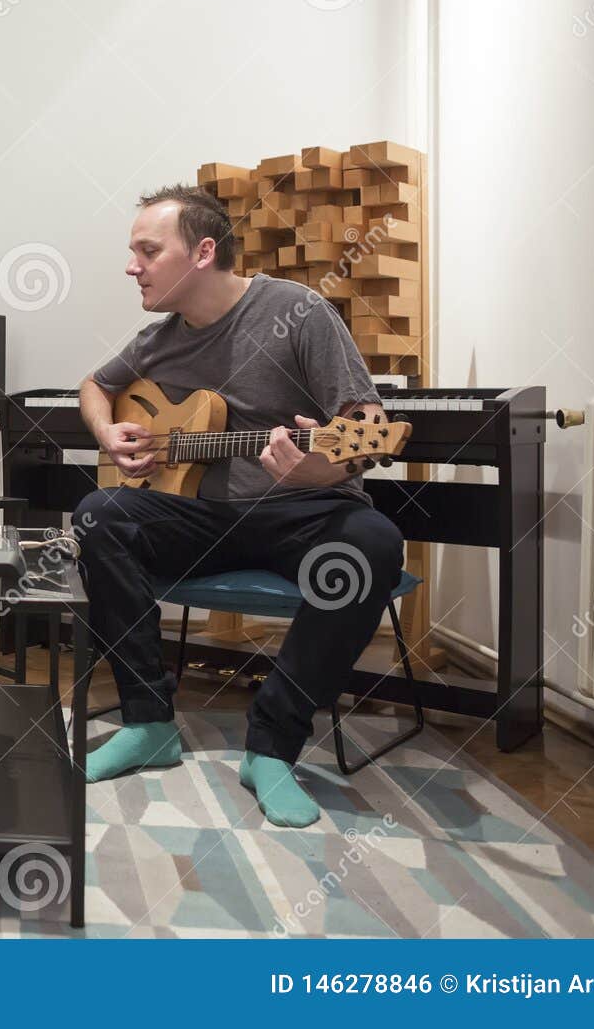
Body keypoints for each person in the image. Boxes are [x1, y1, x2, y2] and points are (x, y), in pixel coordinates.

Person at [73, 184, 404, 827]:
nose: (132, 266)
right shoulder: (159, 339)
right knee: (98, 513)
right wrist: (108, 432)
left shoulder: (298, 311)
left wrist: (319, 466)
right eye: (133, 252)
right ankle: (148, 723)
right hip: (206, 518)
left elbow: (367, 424)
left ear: (202, 252)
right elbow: (93, 385)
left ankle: (271, 747)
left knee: (374, 545)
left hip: (306, 511)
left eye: (147, 251)